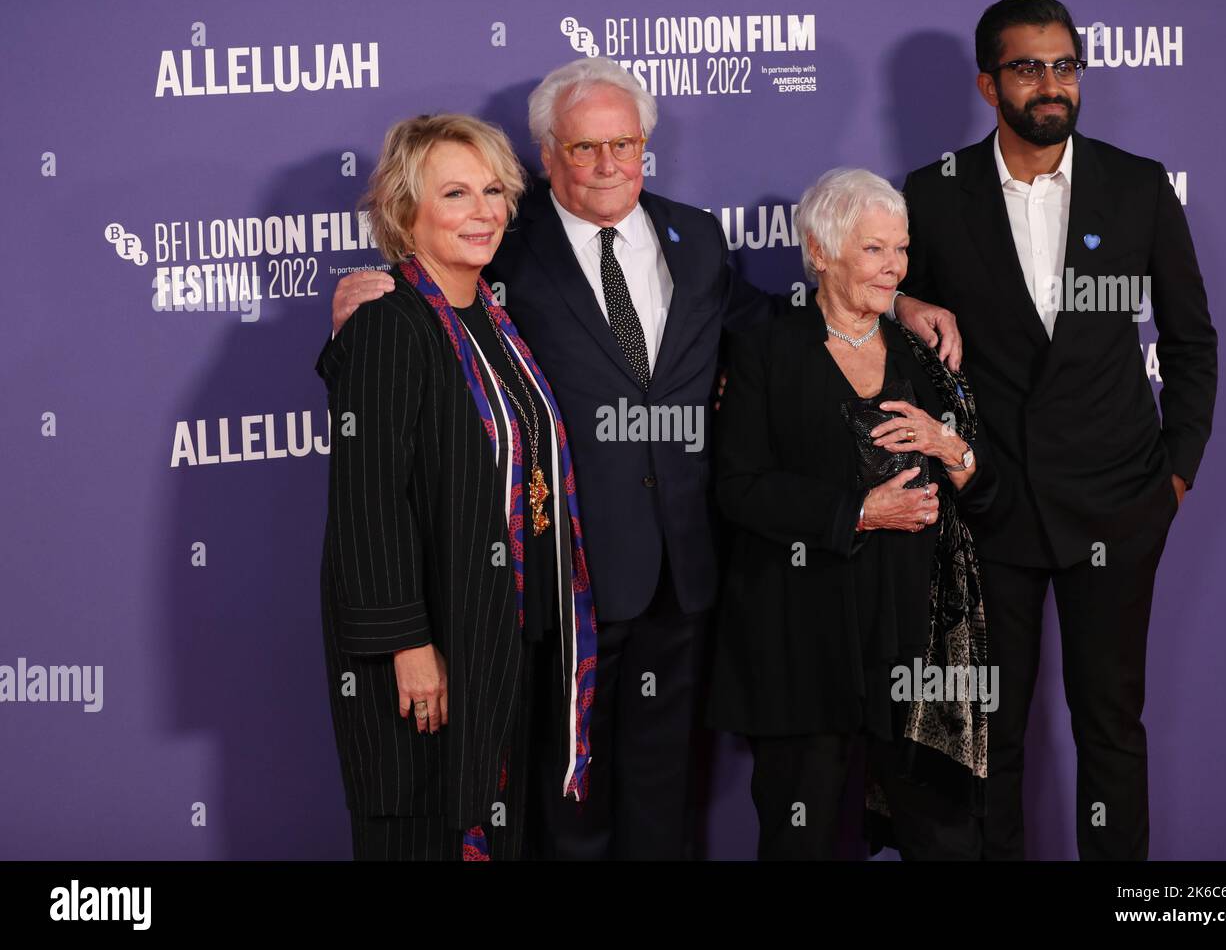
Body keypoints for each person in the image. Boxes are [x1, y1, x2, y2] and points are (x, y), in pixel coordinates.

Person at [328, 58, 960, 860]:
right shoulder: (502, 255)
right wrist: (366, 291)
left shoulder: (693, 236)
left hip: (685, 566)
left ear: (645, 147)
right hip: (565, 574)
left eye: (623, 145)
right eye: (584, 148)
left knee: (663, 796)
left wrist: (892, 294)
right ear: (547, 154)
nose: (606, 166)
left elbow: (771, 322)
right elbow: (433, 321)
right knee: (570, 798)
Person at [899, 0, 1217, 859]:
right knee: (991, 738)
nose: (1051, 84)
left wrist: (1174, 476)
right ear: (987, 81)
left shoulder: (1136, 183)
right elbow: (881, 311)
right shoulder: (934, 191)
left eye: (1065, 65)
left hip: (1118, 504)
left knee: (1111, 729)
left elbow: (1190, 341)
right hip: (990, 505)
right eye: (1028, 67)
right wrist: (901, 296)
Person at [317, 113, 597, 861]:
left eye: (494, 191)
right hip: (430, 649)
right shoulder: (389, 326)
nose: (485, 211)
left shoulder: (493, 318)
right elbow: (368, 505)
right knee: (426, 829)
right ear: (405, 211)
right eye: (455, 194)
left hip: (507, 636)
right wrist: (409, 646)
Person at [709, 168, 997, 860]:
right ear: (820, 250)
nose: (894, 265)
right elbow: (738, 487)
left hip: (920, 639)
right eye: (874, 250)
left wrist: (948, 444)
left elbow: (989, 492)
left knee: (946, 837)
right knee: (800, 836)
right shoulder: (764, 352)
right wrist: (859, 512)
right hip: (802, 637)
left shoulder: (928, 354)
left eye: (899, 249)